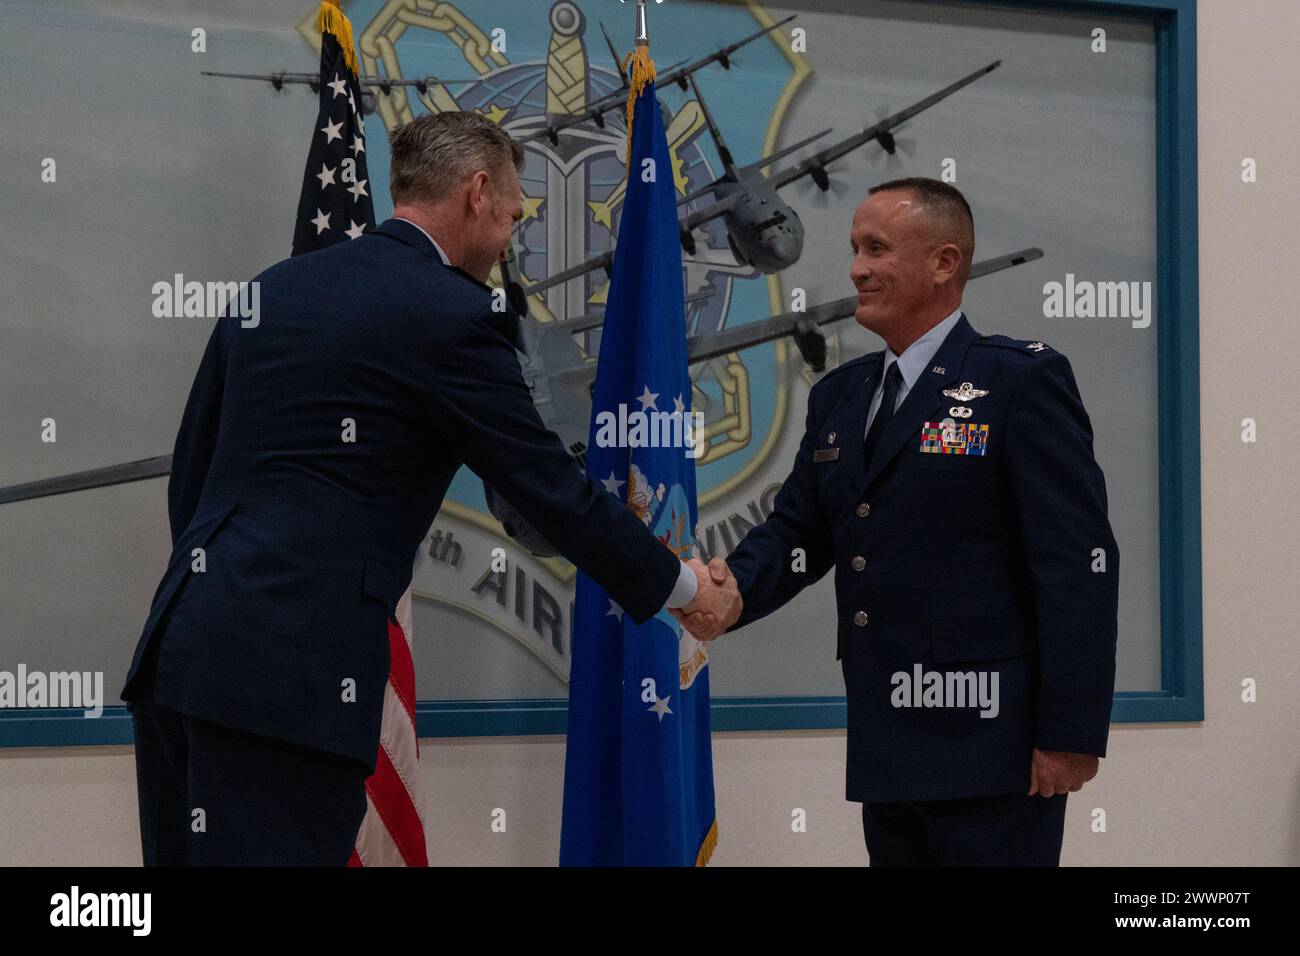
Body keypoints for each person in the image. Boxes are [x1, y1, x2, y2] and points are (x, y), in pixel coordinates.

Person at [121, 111, 739, 866]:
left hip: (181, 649)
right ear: (478, 192)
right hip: (289, 681)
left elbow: (192, 477)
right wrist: (683, 589)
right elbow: (549, 490)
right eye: (513, 214)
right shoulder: (452, 316)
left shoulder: (274, 289)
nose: (511, 237)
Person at [680, 177, 1118, 866]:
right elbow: (800, 530)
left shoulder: (1018, 382)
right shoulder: (842, 396)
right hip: (887, 739)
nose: (856, 267)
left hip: (993, 746)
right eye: (856, 248)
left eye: (876, 249)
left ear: (944, 262)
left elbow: (1077, 564)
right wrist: (732, 590)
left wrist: (1072, 730)